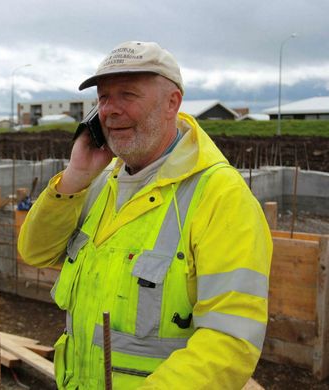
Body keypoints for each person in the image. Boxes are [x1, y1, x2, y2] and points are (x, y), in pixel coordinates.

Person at [18, 41, 273, 389]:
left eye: (128, 94)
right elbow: (36, 252)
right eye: (104, 98)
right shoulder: (100, 182)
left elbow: (230, 339)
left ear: (173, 103)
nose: (110, 110)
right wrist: (76, 175)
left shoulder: (221, 197)